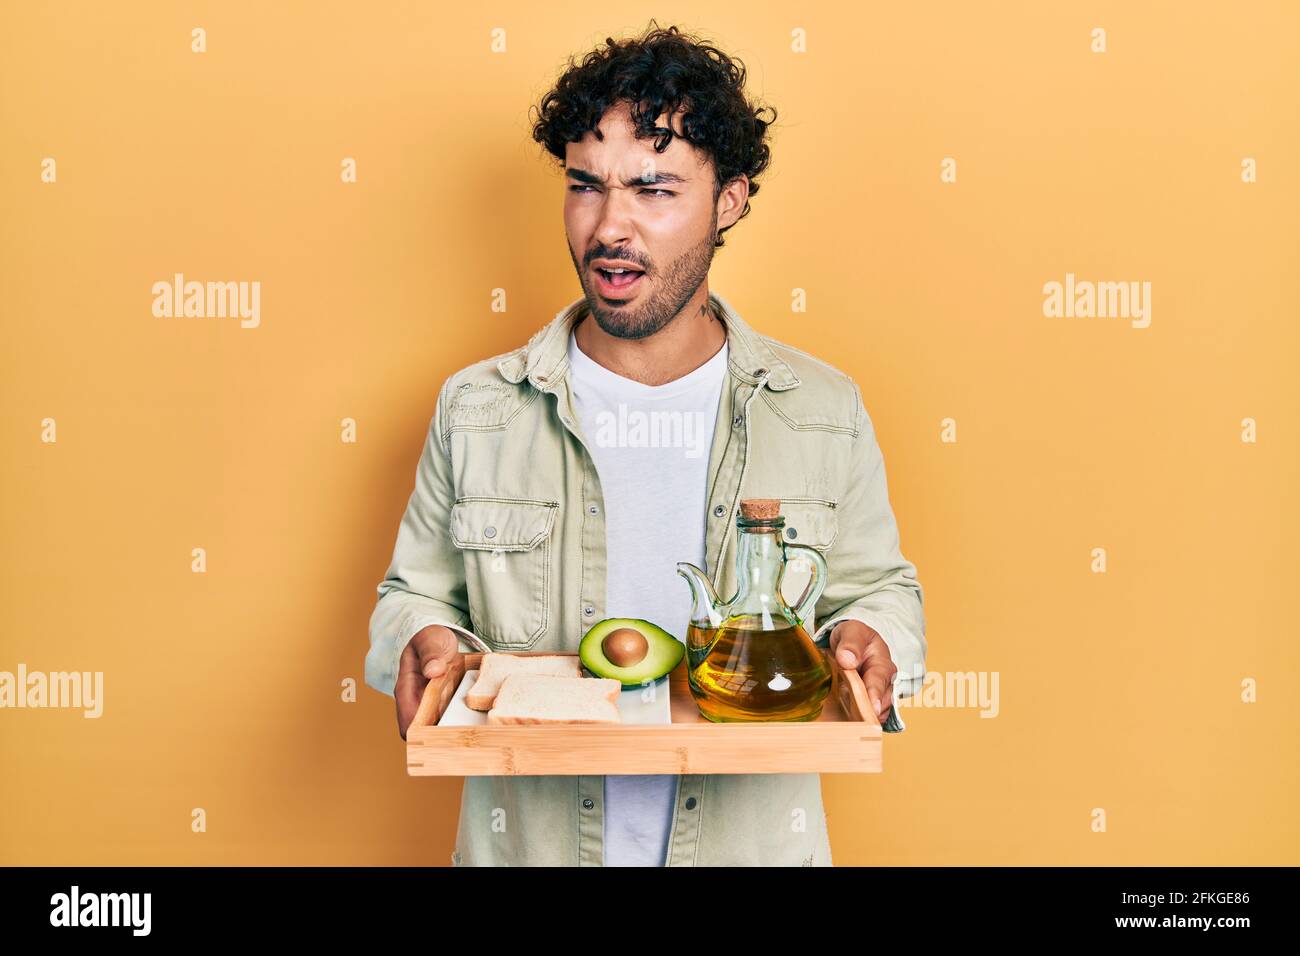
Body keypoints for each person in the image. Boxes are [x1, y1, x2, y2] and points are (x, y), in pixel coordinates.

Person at [365, 22, 926, 867]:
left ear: (729, 200)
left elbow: (879, 590)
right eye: (586, 186)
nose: (610, 227)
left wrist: (875, 640)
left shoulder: (820, 408)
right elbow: (413, 595)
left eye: (655, 190)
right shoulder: (478, 408)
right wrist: (421, 642)